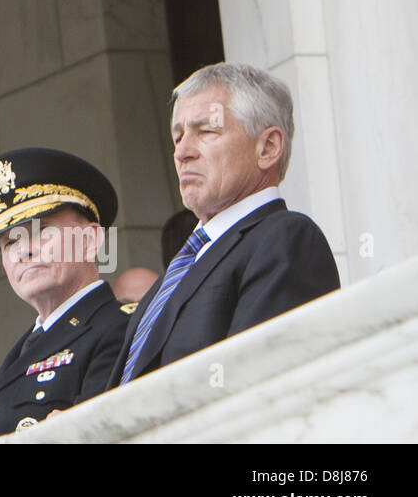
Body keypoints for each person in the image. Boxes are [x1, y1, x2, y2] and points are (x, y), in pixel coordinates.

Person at [108, 62, 339, 388]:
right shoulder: (178, 269)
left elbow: (257, 391)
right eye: (178, 136)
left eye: (206, 131)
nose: (182, 152)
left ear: (268, 147)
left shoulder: (284, 239)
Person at [0, 147, 134, 439]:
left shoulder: (122, 328)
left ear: (91, 240)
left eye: (41, 231)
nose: (23, 250)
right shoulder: (22, 353)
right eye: (9, 243)